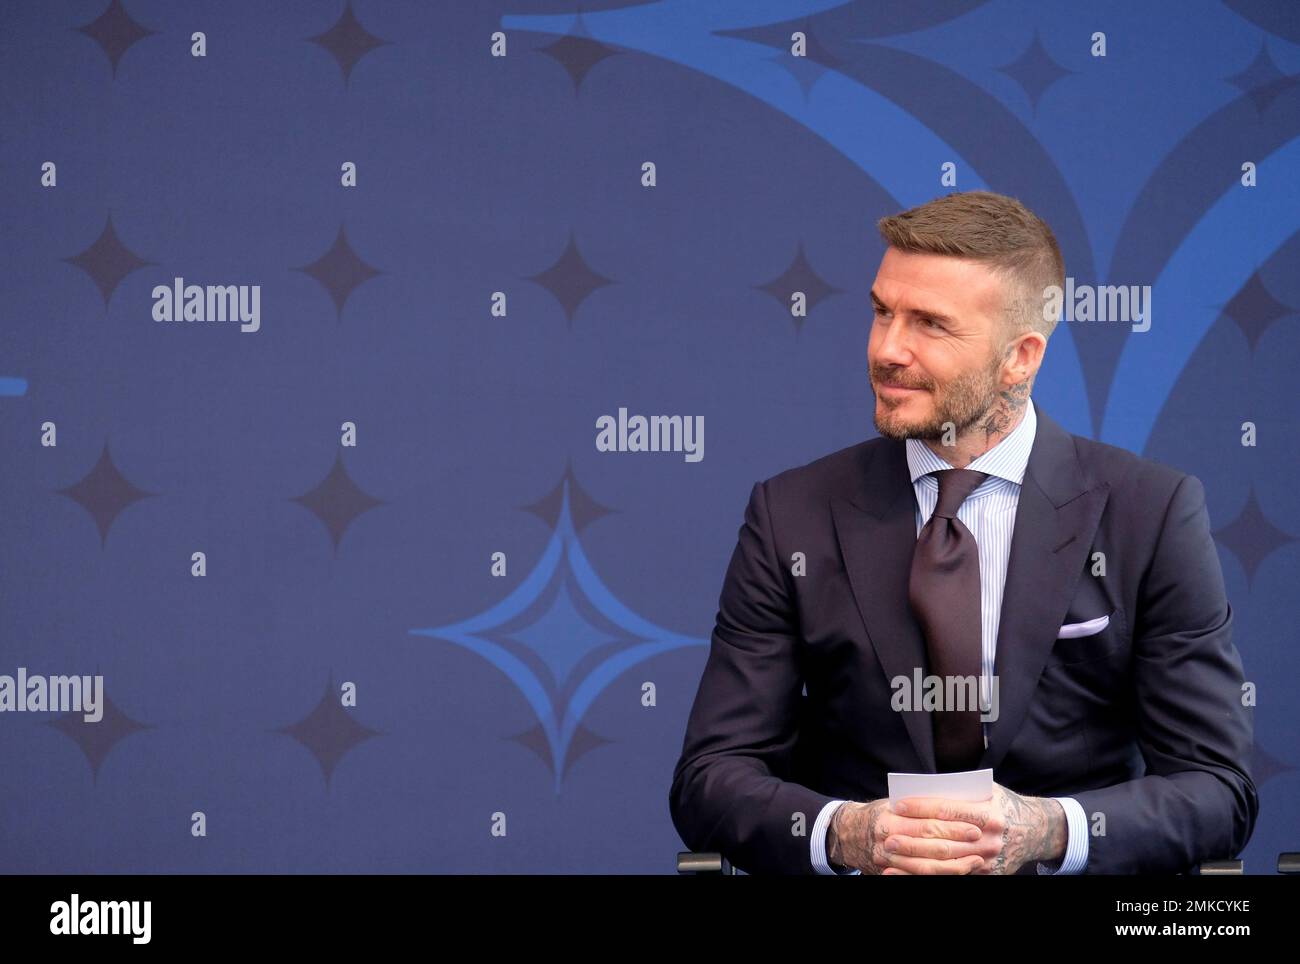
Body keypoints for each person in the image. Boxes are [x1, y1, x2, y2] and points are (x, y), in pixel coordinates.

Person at [668, 190, 1256, 875]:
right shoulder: (791, 513)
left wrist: (1045, 830)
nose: (887, 349)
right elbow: (710, 778)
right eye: (882, 312)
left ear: (1020, 358)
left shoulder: (1150, 513)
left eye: (929, 325)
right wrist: (846, 833)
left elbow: (1218, 792)